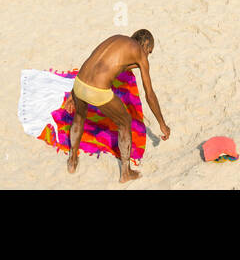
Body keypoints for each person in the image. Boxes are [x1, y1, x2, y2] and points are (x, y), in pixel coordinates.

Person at [66, 31, 170, 183]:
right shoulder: (140, 53)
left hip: (79, 83)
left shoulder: (115, 39)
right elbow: (150, 95)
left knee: (80, 116)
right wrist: (162, 124)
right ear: (146, 44)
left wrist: (73, 93)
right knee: (125, 121)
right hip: (97, 91)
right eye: (150, 51)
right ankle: (126, 173)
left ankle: (72, 161)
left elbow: (92, 61)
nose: (148, 55)